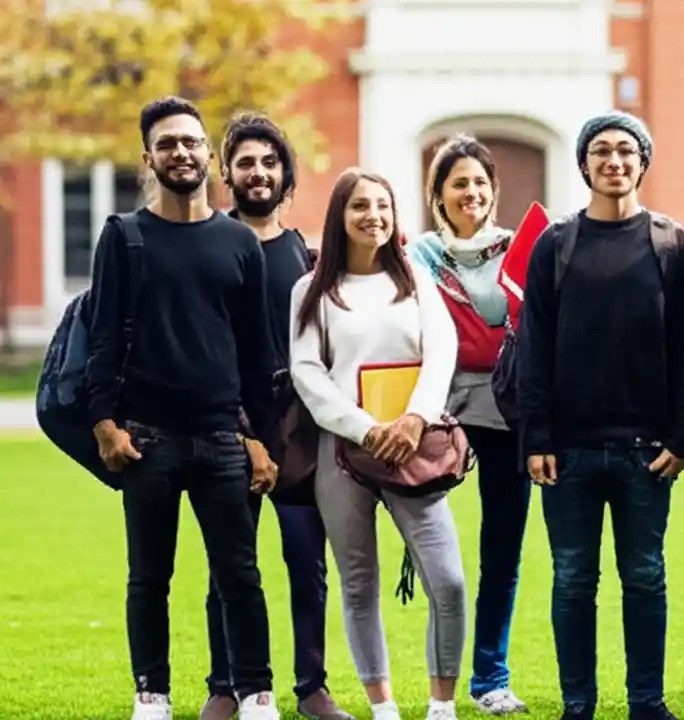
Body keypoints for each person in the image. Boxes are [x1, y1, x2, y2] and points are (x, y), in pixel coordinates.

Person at [85, 96, 281, 720]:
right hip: (146, 439)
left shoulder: (238, 243)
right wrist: (105, 425)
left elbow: (257, 355)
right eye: (167, 144)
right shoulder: (125, 237)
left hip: (223, 438)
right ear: (149, 157)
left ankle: (255, 693)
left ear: (208, 155)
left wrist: (260, 439)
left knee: (240, 577)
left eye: (191, 142)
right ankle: (153, 694)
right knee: (149, 578)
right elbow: (102, 337)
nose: (181, 153)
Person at [515, 111, 684, 720]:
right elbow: (535, 345)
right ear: (584, 164)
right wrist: (535, 436)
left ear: (643, 162)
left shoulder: (670, 244)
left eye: (627, 150)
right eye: (602, 151)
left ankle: (647, 702)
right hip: (566, 450)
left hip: (645, 450)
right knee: (572, 580)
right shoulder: (556, 244)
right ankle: (579, 704)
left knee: (645, 577)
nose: (614, 161)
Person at [289, 170, 467, 720]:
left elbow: (443, 350)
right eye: (360, 205)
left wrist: (414, 419)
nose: (374, 215)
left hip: (414, 449)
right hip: (343, 455)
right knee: (358, 580)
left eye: (383, 205)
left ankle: (441, 704)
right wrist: (366, 428)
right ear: (340, 216)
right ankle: (382, 704)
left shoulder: (415, 280)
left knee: (450, 582)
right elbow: (307, 371)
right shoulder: (313, 289)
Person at [196, 112, 353, 720]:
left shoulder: (306, 257)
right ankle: (224, 685)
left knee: (306, 559)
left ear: (285, 174)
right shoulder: (211, 250)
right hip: (224, 427)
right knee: (228, 565)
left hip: (297, 431)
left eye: (268, 162)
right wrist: (238, 426)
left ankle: (312, 686)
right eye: (245, 162)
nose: (257, 172)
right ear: (227, 173)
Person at [405, 134, 530, 715]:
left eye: (480, 182)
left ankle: (490, 677)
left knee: (501, 551)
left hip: (507, 411)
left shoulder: (522, 249)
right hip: (437, 410)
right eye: (459, 183)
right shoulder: (416, 256)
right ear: (439, 194)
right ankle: (439, 678)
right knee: (434, 552)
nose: (471, 192)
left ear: (493, 190)